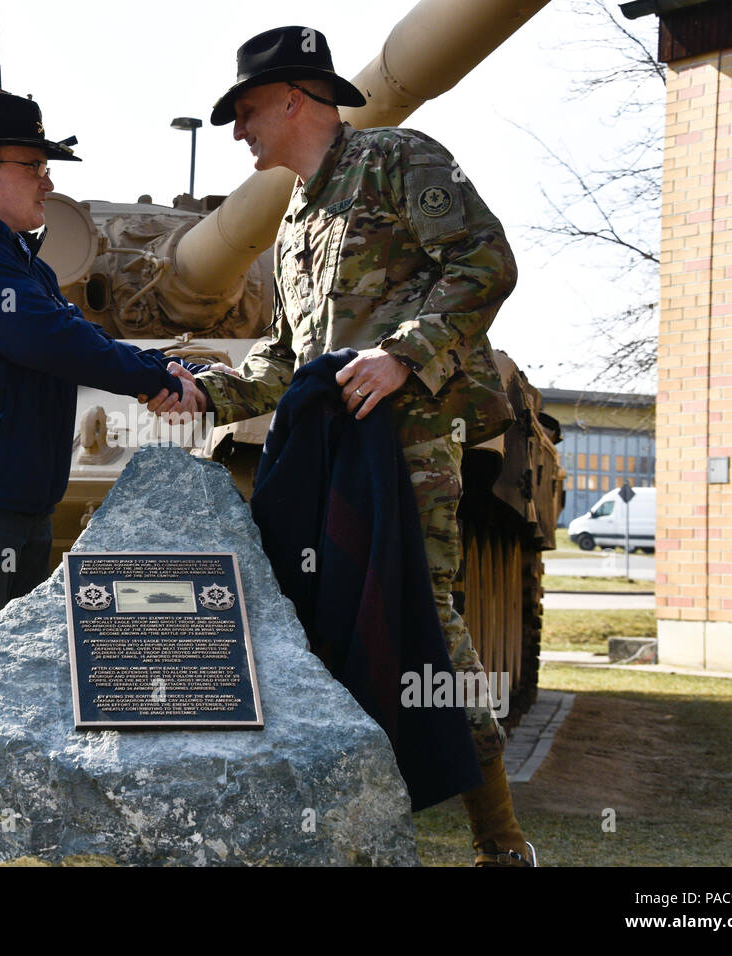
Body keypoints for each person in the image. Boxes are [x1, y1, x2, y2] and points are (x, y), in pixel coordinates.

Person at [151, 26, 534, 866]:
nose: (238, 130)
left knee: (426, 628)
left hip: (409, 450)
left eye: (245, 111)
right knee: (327, 626)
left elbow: (485, 261)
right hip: (331, 460)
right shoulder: (291, 220)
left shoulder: (400, 159)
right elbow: (288, 359)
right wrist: (201, 391)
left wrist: (403, 353)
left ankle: (501, 842)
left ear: (294, 97)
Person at [0, 91, 202, 866]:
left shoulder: (8, 255)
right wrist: (154, 374)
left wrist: (162, 367)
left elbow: (60, 335)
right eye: (34, 166)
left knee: (7, 693)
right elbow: (49, 337)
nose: (48, 184)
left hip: (2, 510)